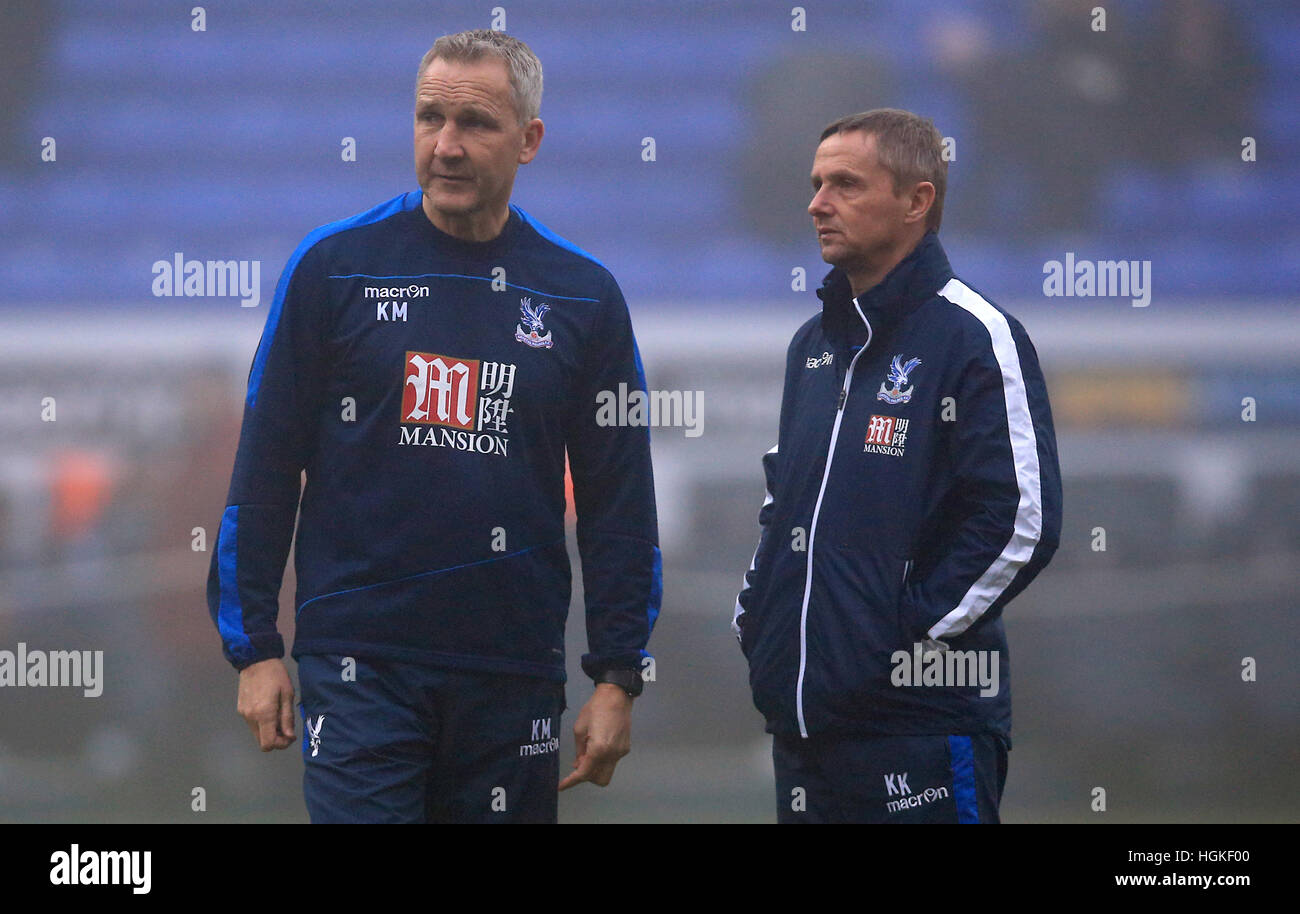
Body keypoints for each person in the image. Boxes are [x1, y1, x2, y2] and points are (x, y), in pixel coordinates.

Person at [206, 29, 660, 823]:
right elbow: (266, 466)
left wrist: (618, 674)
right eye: (429, 119)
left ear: (529, 140)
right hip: (359, 668)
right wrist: (255, 648)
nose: (446, 146)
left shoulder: (584, 297)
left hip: (513, 672)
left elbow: (619, 500)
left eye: (475, 124)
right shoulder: (333, 268)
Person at [733, 108, 1062, 823]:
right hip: (805, 729)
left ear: (918, 201)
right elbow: (781, 503)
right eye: (817, 183)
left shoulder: (975, 335)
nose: (817, 203)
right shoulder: (811, 348)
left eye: (845, 184)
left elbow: (1022, 521)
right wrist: (759, 621)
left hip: (920, 726)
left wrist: (900, 640)